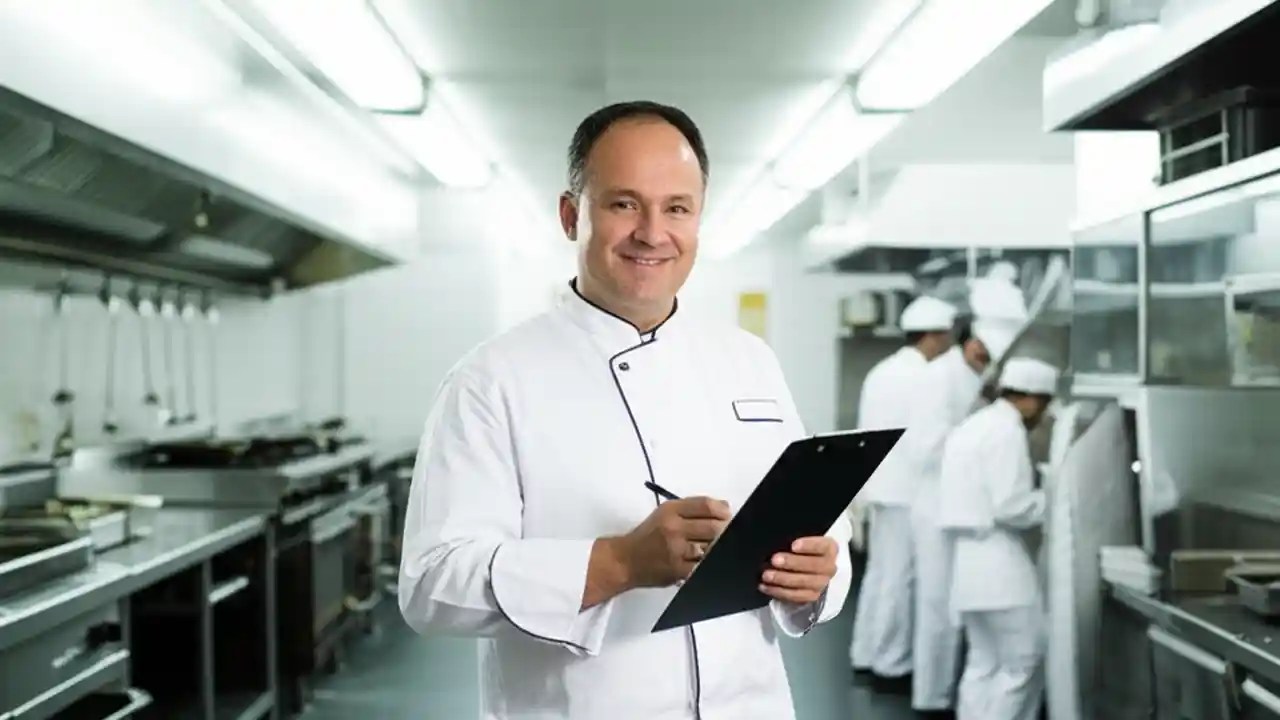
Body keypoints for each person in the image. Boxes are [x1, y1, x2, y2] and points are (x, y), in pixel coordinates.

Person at [397, 100, 853, 720]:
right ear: (569, 215)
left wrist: (822, 569)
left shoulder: (751, 361)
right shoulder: (491, 380)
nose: (652, 232)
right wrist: (616, 563)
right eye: (623, 203)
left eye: (677, 208)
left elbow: (820, 524)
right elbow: (432, 585)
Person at [906, 313, 1021, 716]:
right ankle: (930, 698)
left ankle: (949, 693)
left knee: (952, 606)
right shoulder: (938, 378)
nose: (982, 358)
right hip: (934, 502)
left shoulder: (971, 375)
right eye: (980, 350)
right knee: (936, 604)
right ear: (968, 341)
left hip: (955, 503)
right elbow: (923, 447)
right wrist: (973, 431)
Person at [938, 357, 1059, 720]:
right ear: (1033, 400)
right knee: (1024, 662)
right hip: (1000, 565)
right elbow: (1011, 505)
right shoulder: (1007, 431)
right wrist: (1053, 497)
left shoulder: (973, 426)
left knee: (983, 664)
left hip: (968, 567)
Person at [849, 295, 958, 688]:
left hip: (880, 487)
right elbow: (925, 439)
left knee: (880, 576)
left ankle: (866, 653)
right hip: (905, 489)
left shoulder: (883, 370)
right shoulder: (922, 376)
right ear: (935, 336)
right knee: (898, 578)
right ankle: (890, 663)